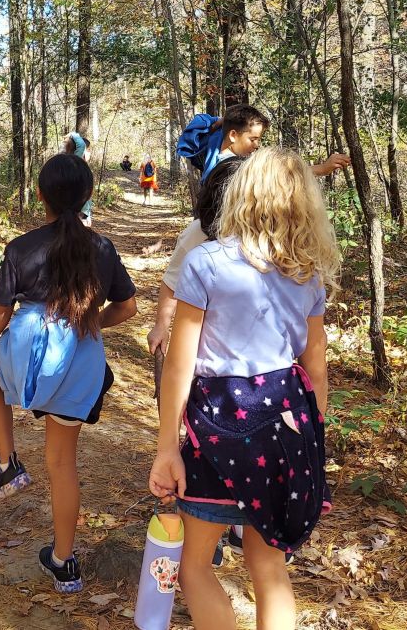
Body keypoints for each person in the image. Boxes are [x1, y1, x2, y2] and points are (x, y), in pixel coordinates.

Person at [149, 147, 340, 630]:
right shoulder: (308, 273)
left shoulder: (206, 262)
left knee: (195, 565)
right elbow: (315, 371)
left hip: (218, 424)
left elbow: (180, 365)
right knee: (269, 567)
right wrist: (314, 450)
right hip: (286, 424)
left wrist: (166, 448)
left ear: (243, 195)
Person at [0, 154, 138, 594]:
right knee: (63, 463)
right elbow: (128, 307)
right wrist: (92, 323)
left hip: (27, 354)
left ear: (40, 195)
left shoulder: (21, 248)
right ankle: (64, 564)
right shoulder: (101, 247)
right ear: (89, 197)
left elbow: (1, 311)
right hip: (79, 361)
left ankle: (7, 464)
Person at [147, 105, 348, 359]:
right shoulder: (200, 234)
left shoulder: (269, 240)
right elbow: (172, 280)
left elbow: (286, 175)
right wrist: (162, 326)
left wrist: (323, 168)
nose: (256, 145)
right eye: (253, 139)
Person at [63, 132, 95, 225]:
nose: (89, 153)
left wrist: (88, 214)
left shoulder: (78, 165)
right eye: (87, 150)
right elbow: (80, 145)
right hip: (78, 212)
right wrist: (73, 134)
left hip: (82, 212)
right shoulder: (75, 163)